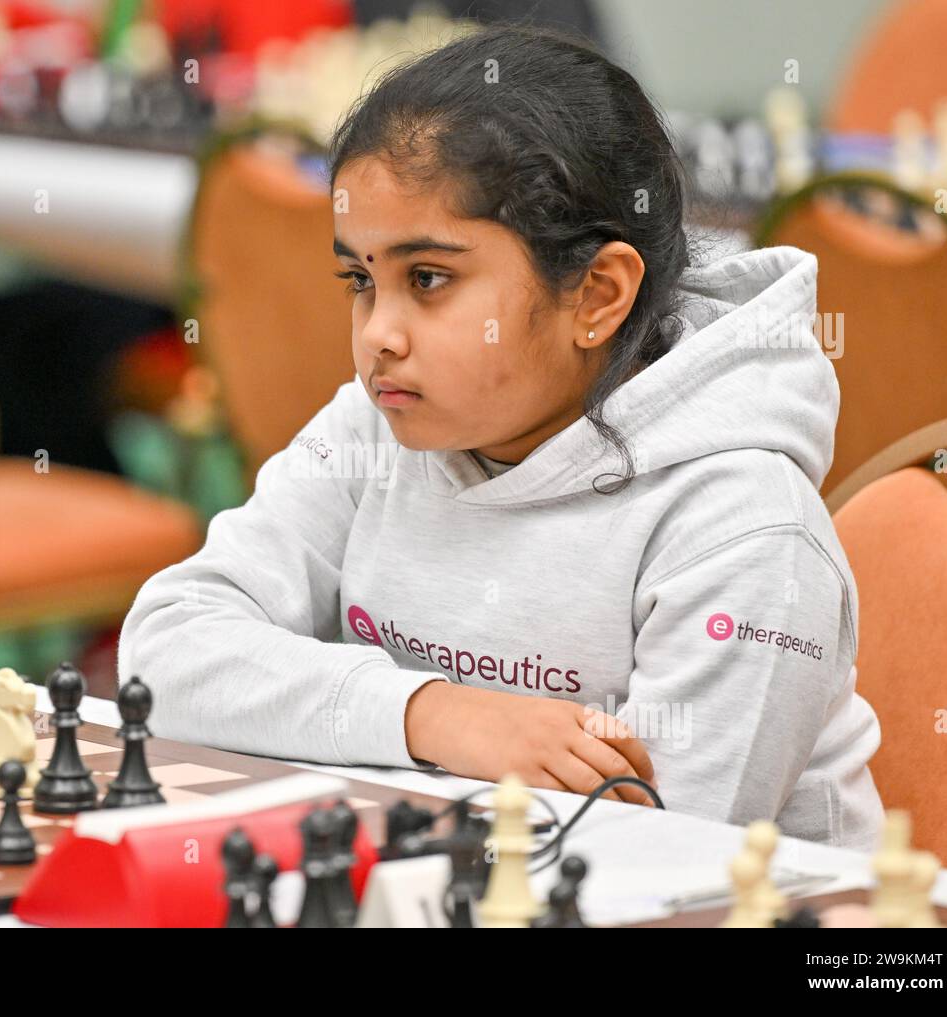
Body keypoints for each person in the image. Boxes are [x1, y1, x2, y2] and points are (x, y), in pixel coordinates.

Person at [120, 24, 884, 850]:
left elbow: (658, 856)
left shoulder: (741, 526)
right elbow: (165, 648)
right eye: (360, 280)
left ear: (597, 294)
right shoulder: (376, 428)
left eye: (429, 279)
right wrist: (435, 714)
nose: (378, 333)